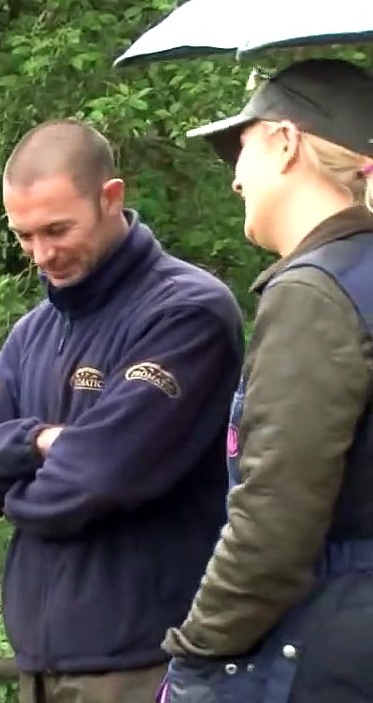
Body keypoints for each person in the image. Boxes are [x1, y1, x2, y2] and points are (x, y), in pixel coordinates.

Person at [0, 118, 245, 703]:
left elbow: (97, 476)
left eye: (58, 229)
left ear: (111, 199)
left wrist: (14, 492)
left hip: (145, 660)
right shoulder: (34, 331)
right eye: (24, 236)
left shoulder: (187, 313)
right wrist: (38, 443)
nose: (42, 254)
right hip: (39, 663)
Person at [158, 58, 373, 703]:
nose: (234, 181)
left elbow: (275, 519)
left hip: (326, 647)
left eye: (242, 148)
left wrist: (196, 653)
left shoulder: (317, 292)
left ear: (286, 142)